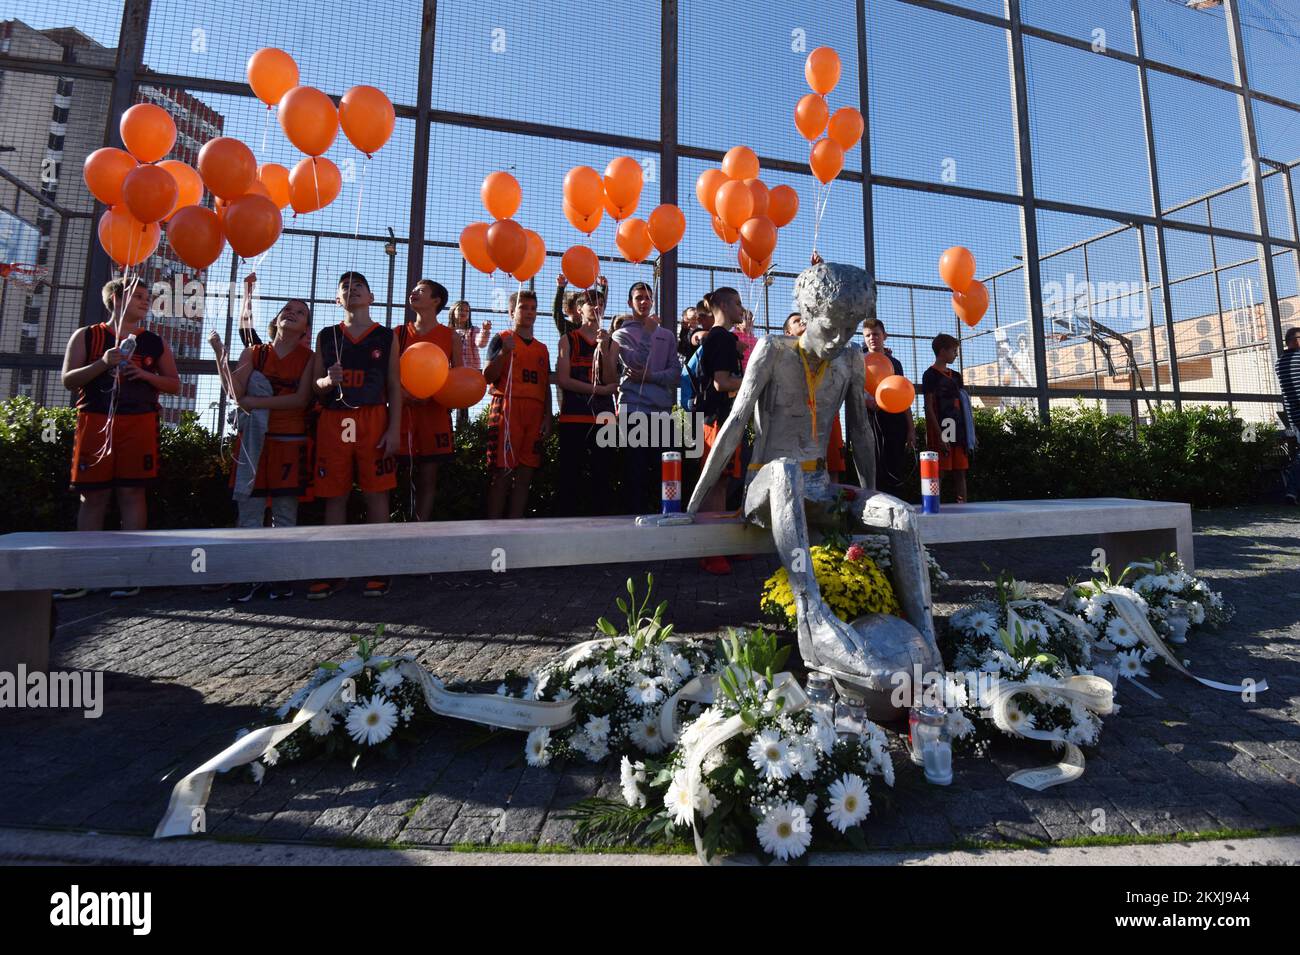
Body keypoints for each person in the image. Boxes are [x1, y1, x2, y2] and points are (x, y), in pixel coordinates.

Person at [56, 276, 180, 600]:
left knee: (132, 493)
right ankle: (83, 573)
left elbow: (173, 384)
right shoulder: (88, 335)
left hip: (139, 421)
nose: (145, 301)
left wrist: (144, 375)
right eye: (137, 295)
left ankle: (131, 571)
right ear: (115, 299)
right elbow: (68, 380)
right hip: (95, 421)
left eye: (146, 296)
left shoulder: (154, 342)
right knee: (92, 496)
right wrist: (103, 362)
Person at [308, 272, 401, 599]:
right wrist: (327, 382)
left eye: (358, 285)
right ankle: (333, 569)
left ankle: (379, 568)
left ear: (371, 296)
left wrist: (394, 428)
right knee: (335, 495)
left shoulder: (386, 336)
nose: (352, 289)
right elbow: (314, 388)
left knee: (377, 494)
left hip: (374, 418)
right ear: (337, 300)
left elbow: (394, 386)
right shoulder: (327, 335)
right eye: (345, 287)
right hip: (334, 420)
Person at [223, 276, 314, 602]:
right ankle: (248, 575)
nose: (291, 312)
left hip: (289, 442)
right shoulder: (255, 353)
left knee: (285, 516)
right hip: (253, 445)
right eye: (287, 309)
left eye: (300, 312)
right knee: (249, 513)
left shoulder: (309, 358)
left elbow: (299, 400)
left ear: (305, 329)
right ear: (276, 320)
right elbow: (235, 391)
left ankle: (281, 575)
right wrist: (222, 357)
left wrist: (256, 402)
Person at [611, 280, 680, 514]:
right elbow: (634, 363)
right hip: (634, 411)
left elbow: (674, 374)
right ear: (629, 302)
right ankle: (634, 522)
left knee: (667, 472)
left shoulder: (668, 336)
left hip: (662, 411)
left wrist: (651, 377)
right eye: (639, 297)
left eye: (648, 297)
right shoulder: (620, 335)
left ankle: (667, 517)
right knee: (635, 473)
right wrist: (648, 334)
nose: (644, 301)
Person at [483, 289, 553, 519]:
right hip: (507, 408)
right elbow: (487, 375)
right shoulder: (502, 338)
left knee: (525, 475)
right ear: (512, 311)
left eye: (533, 308)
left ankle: (515, 525)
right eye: (524, 307)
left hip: (533, 414)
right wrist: (504, 353)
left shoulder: (542, 348)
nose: (530, 312)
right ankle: (493, 528)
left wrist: (547, 416)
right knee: (502, 473)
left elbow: (545, 385)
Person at [396, 279, 458, 521]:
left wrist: (436, 393)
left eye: (420, 291)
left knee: (428, 476)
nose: (413, 293)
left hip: (435, 414)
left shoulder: (450, 336)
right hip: (403, 413)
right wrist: (402, 394)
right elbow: (388, 373)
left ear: (436, 301)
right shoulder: (398, 333)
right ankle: (397, 526)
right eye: (413, 290)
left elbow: (457, 376)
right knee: (400, 475)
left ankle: (420, 528)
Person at [554, 287, 618, 516]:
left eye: (600, 302)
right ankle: (566, 527)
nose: (597, 306)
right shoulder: (568, 339)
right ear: (579, 309)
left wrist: (604, 349)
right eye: (591, 303)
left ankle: (602, 528)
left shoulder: (611, 341)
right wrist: (598, 390)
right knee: (570, 476)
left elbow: (613, 381)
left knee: (603, 475)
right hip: (574, 415)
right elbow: (563, 379)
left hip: (604, 418)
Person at [695, 287, 746, 574]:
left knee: (723, 481)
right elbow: (722, 382)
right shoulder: (722, 338)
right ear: (724, 306)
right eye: (737, 304)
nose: (741, 309)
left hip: (721, 418)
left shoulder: (722, 338)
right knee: (715, 481)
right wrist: (751, 378)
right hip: (717, 419)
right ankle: (710, 548)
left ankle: (721, 544)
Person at [786, 311, 845, 483]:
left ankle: (835, 507)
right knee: (798, 468)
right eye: (797, 321)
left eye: (804, 320)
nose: (802, 322)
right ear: (788, 332)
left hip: (828, 417)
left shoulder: (828, 353)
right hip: (799, 418)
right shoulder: (783, 356)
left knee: (833, 466)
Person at [864, 317, 916, 496]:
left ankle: (897, 502)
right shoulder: (859, 361)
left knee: (894, 463)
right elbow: (852, 390)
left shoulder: (895, 363)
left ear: (884, 336)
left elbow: (904, 395)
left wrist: (911, 429)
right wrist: (867, 401)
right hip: (869, 419)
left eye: (876, 334)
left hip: (895, 420)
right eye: (868, 335)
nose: (872, 338)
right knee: (873, 463)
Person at [922, 332, 970, 504]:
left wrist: (970, 433)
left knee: (960, 471)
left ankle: (962, 505)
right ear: (942, 351)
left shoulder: (956, 376)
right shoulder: (930, 375)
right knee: (939, 472)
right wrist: (939, 434)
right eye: (954, 350)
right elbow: (928, 406)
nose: (956, 354)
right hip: (944, 427)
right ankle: (933, 506)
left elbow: (964, 404)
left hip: (959, 427)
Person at [449, 299, 490, 430]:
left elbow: (481, 343)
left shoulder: (473, 331)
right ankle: (447, 428)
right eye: (460, 309)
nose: (464, 312)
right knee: (448, 402)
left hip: (468, 373)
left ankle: (463, 430)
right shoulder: (447, 331)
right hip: (450, 372)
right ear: (453, 312)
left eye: (467, 311)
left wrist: (485, 331)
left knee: (463, 403)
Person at [1277, 326, 1300, 503]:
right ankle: (1291, 490)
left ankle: (1292, 491)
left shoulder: (1280, 362)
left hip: (1294, 416)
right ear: (1294, 339)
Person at [554, 273, 608, 337]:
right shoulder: (565, 326)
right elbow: (557, 312)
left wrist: (604, 287)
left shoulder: (588, 324)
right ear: (568, 308)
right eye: (590, 304)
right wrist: (560, 288)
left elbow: (600, 307)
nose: (596, 307)